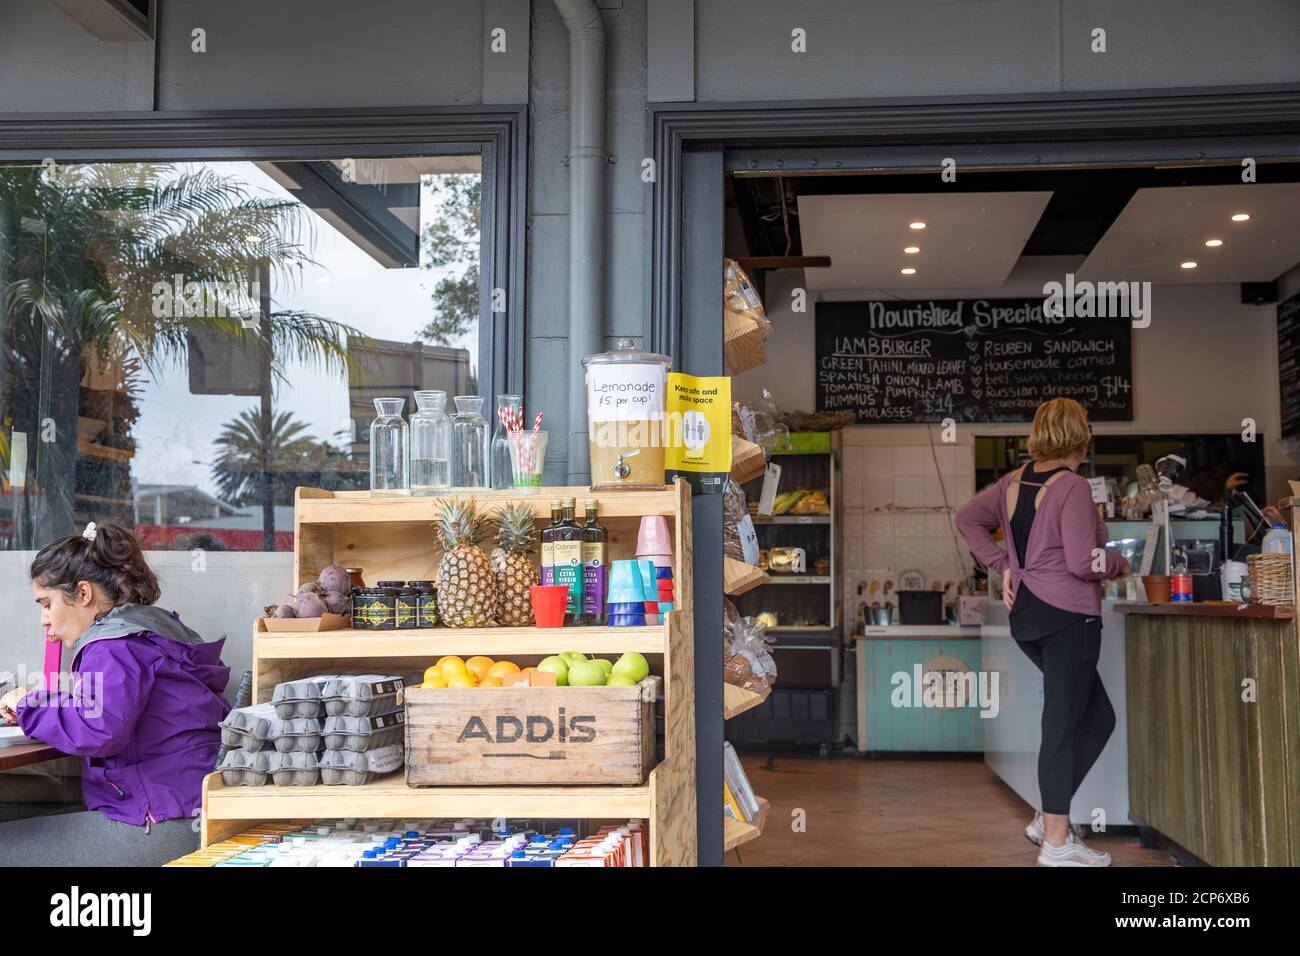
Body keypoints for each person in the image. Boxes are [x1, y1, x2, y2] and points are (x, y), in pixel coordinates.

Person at [955, 398, 1128, 867]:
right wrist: (1118, 562)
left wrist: (1005, 565)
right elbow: (1081, 562)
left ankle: (1046, 818)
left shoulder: (1013, 482)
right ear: (1080, 434)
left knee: (1096, 719)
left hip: (1029, 618)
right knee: (1063, 726)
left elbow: (966, 518)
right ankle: (1056, 843)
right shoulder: (1072, 487)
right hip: (1069, 617)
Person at [0, 521, 230, 866]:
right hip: (193, 809)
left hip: (159, 822)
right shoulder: (149, 630)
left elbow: (98, 728)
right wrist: (41, 703)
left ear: (82, 593)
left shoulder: (111, 646)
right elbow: (106, 710)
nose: (43, 620)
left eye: (46, 604)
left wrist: (28, 704)